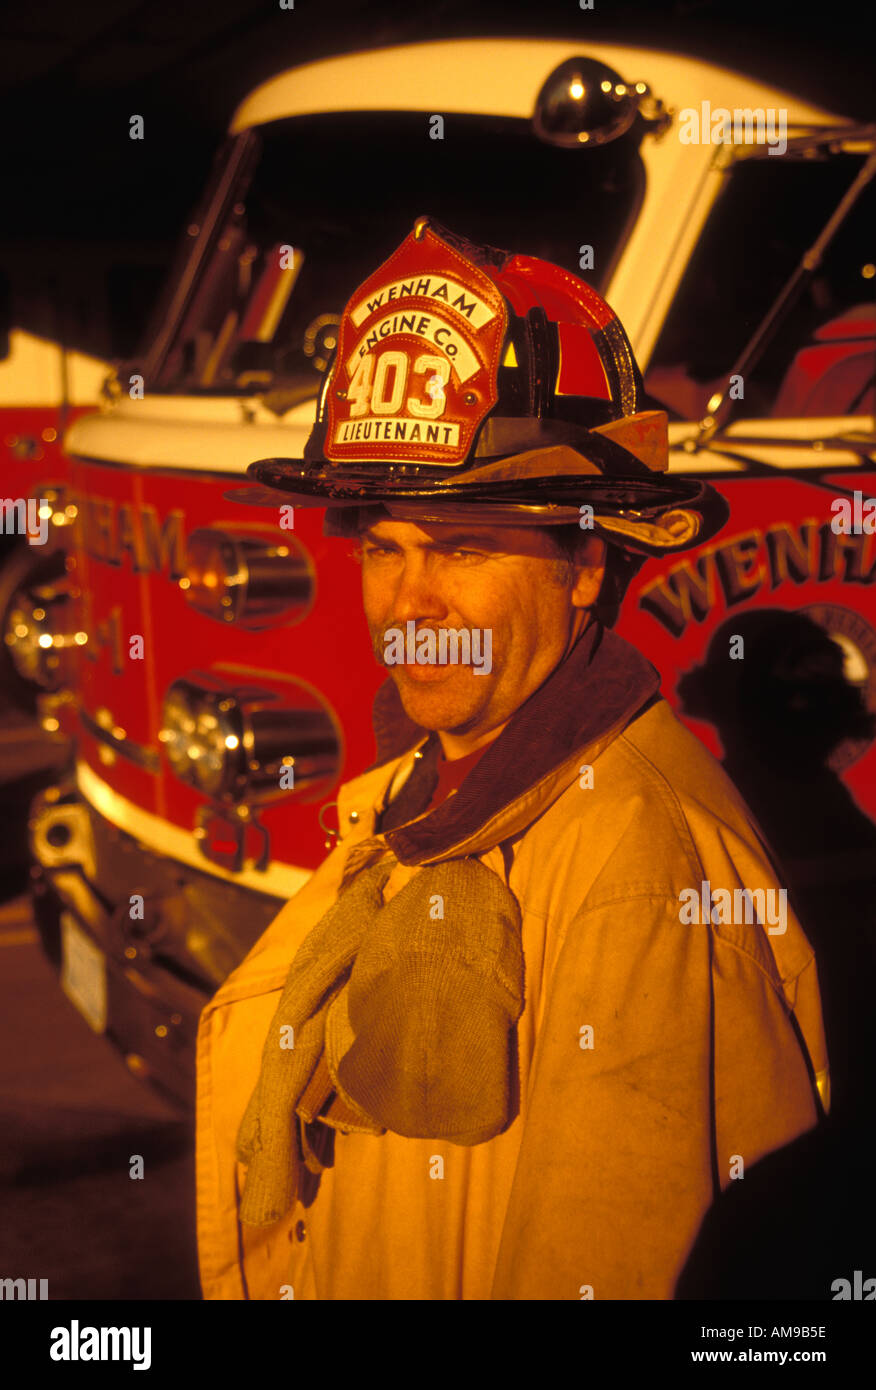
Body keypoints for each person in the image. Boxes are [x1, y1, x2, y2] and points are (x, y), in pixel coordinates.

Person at [195, 217, 829, 1300]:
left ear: (587, 565)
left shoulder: (636, 869)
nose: (410, 604)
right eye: (385, 547)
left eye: (468, 547)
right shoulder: (423, 792)